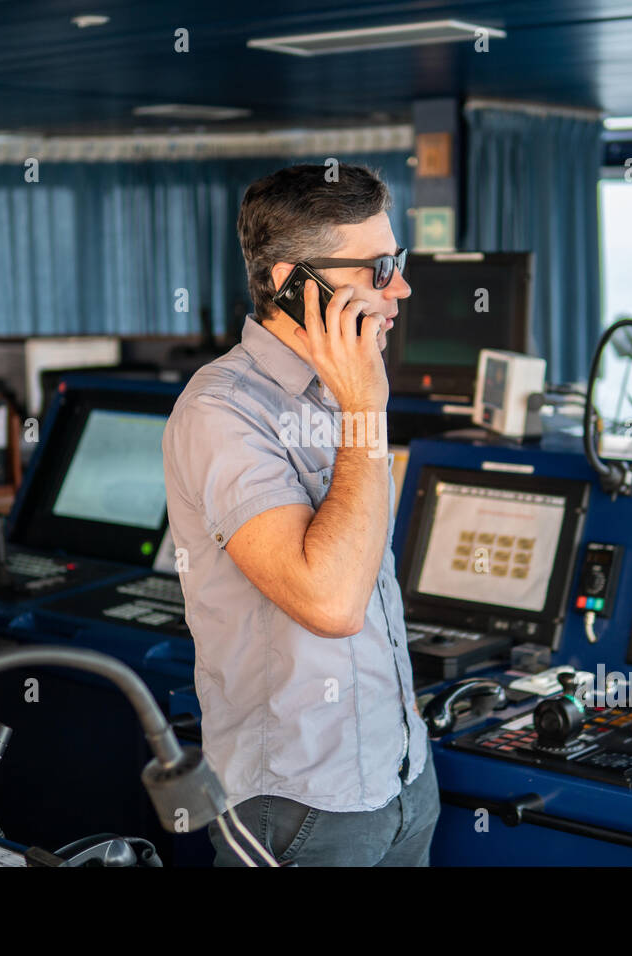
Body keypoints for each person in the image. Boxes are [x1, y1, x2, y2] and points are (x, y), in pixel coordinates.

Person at [162, 163, 438, 866]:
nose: (400, 286)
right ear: (295, 283)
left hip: (403, 778)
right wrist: (366, 413)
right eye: (379, 267)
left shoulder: (343, 390)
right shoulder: (222, 409)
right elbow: (331, 602)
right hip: (302, 806)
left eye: (397, 261)